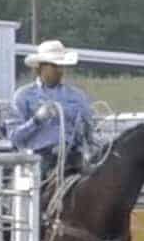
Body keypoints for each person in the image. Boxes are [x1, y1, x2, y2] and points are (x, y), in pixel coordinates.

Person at [10, 40, 97, 178]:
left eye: (61, 66)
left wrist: (91, 149)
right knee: (37, 186)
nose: (60, 71)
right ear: (40, 68)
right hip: (39, 160)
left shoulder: (77, 96)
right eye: (55, 66)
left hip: (72, 158)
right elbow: (14, 138)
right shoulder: (23, 96)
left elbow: (90, 132)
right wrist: (36, 120)